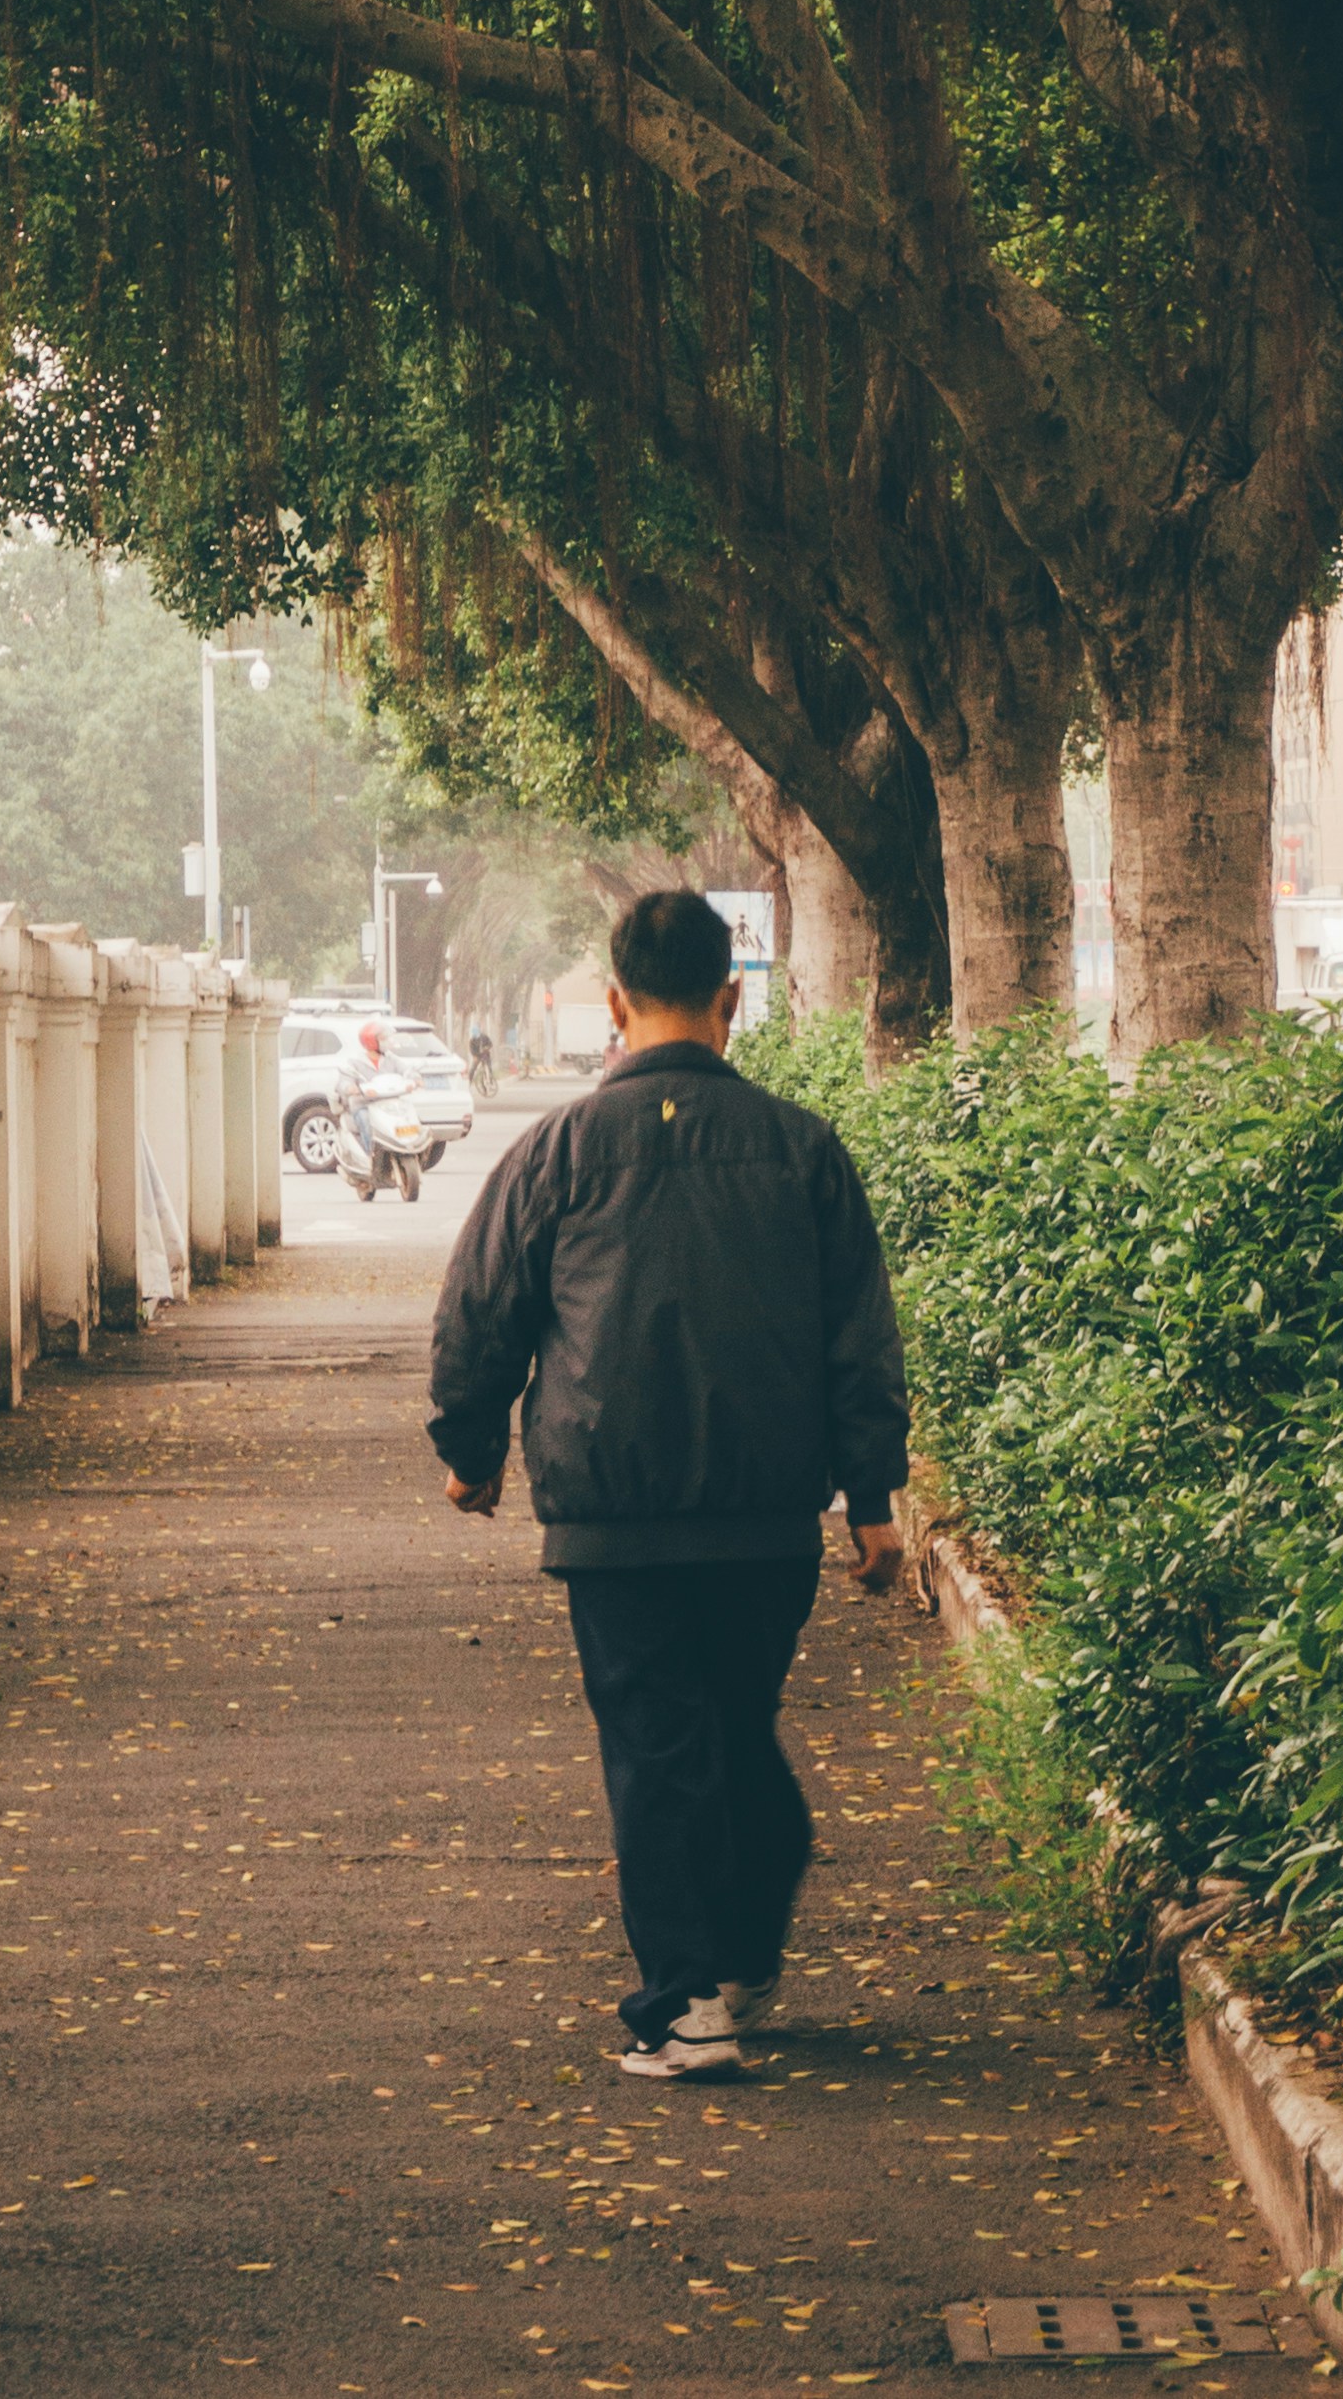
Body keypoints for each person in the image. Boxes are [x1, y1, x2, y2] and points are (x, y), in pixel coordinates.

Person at [425, 886, 908, 2082]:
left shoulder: (558, 1152)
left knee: (657, 1745)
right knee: (733, 1728)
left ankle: (688, 1998)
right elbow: (860, 1338)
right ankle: (736, 1954)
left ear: (612, 1001)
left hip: (613, 1518)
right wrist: (873, 1497)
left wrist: (470, 1451)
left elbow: (479, 1311)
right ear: (730, 1002)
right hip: (763, 1521)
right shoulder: (803, 1149)